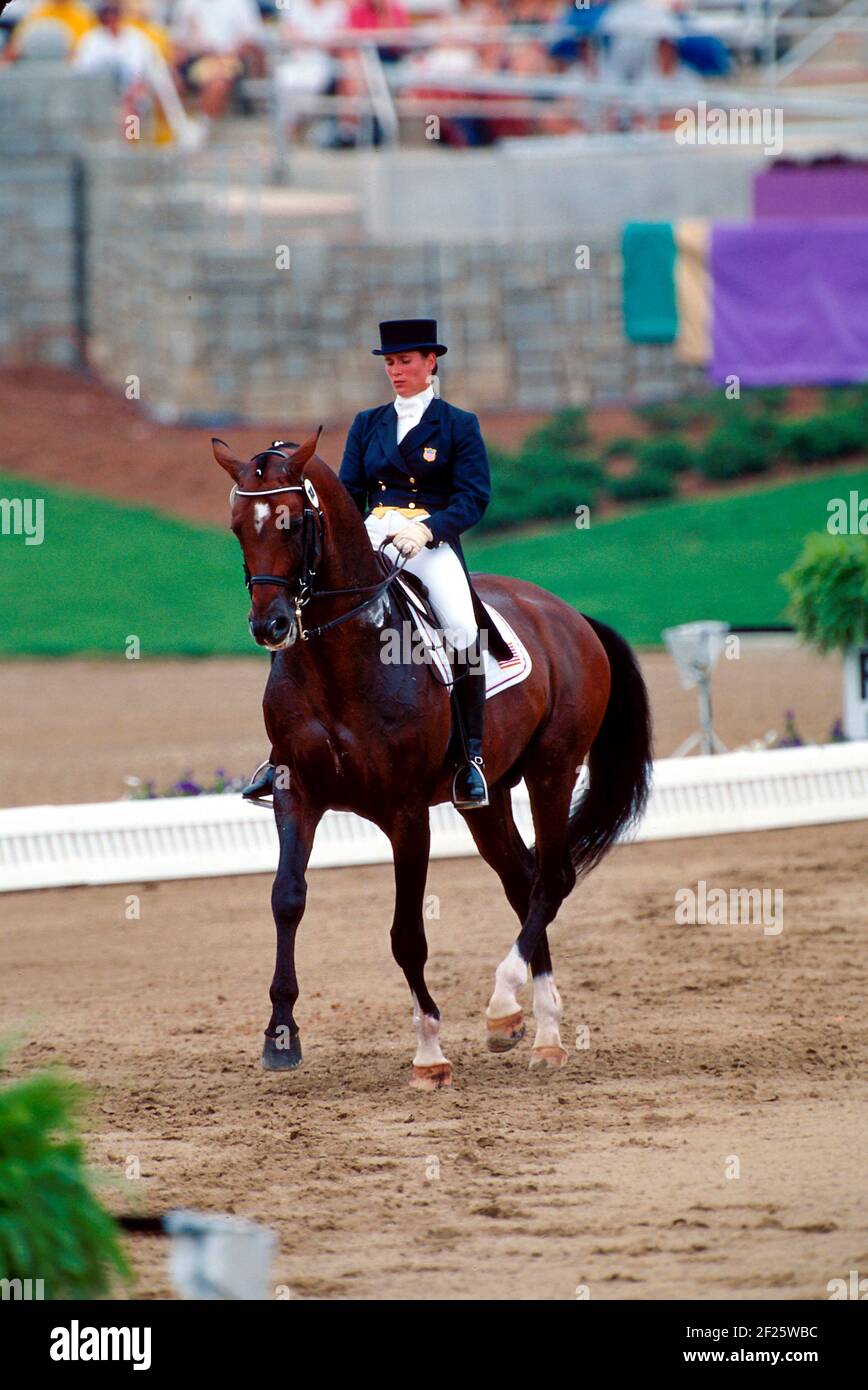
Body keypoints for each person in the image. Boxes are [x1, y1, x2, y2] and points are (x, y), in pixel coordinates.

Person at [242, 318, 492, 812]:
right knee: (297, 614)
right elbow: (349, 494)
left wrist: (428, 529)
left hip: (429, 542)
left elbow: (474, 497)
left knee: (464, 628)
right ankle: (280, 756)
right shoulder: (368, 423)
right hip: (372, 533)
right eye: (391, 363)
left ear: (430, 362)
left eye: (405, 362)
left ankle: (470, 760)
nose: (396, 371)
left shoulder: (459, 425)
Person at [172, 0, 265, 121]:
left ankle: (203, 126)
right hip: (195, 58)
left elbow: (251, 41)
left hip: (230, 58)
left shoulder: (241, 4)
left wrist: (225, 54)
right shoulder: (186, 4)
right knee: (169, 82)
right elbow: (178, 41)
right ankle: (178, 126)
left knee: (218, 83)